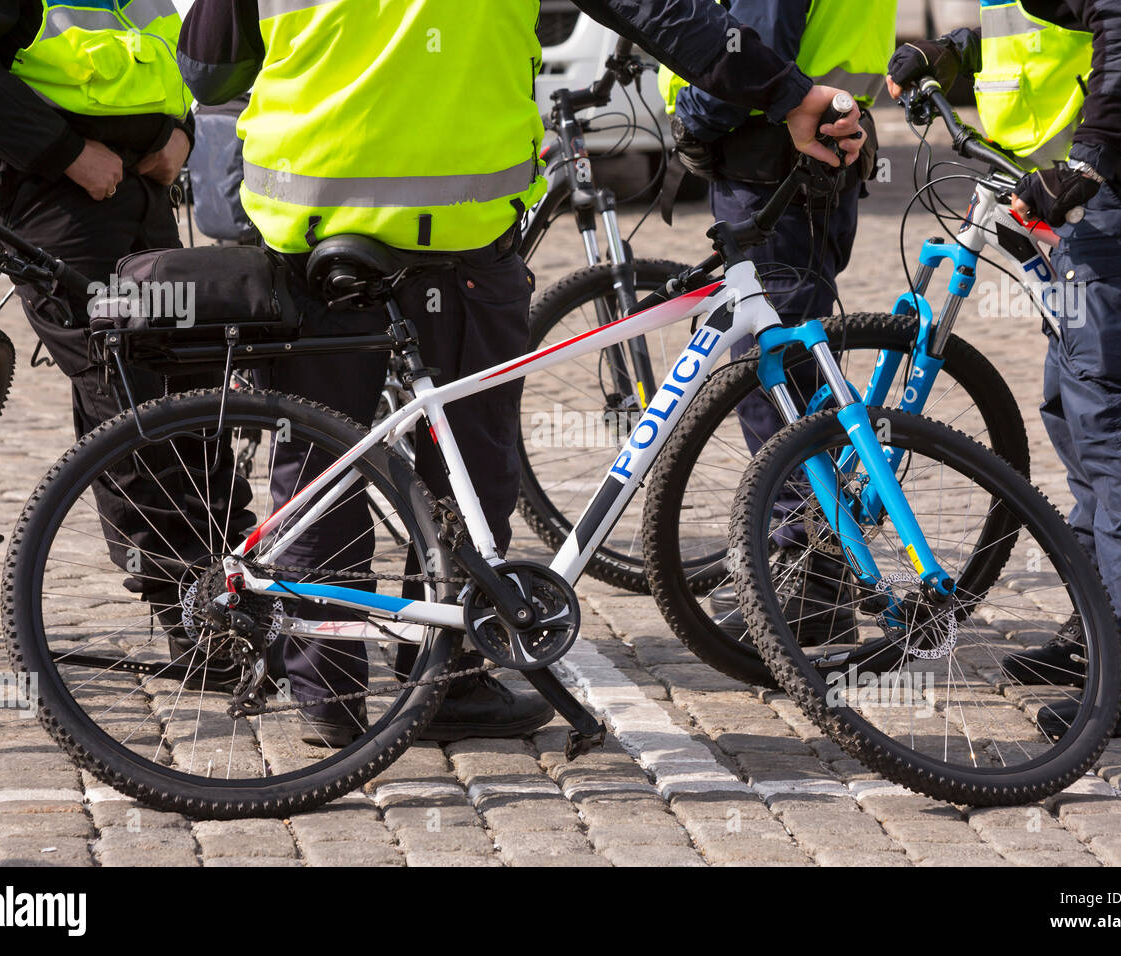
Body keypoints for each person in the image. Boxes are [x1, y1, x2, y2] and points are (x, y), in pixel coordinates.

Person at [178, 0, 864, 746]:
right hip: (458, 228)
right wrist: (789, 92)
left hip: (310, 217)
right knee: (468, 466)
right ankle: (450, 681)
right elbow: (661, 14)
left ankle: (327, 696)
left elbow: (209, 69)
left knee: (323, 466)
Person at [887, 0, 1121, 734]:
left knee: (1111, 414)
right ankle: (1102, 627)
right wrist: (955, 52)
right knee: (1073, 405)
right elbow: (1042, 36)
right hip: (1082, 196)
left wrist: (1087, 160)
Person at [0, 0, 251, 650]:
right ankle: (195, 615)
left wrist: (179, 131)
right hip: (54, 191)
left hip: (137, 185)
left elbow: (161, 63)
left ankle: (232, 580)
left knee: (188, 379)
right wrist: (67, 152)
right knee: (131, 395)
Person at [659, 0, 897, 646]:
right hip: (807, 157)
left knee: (777, 378)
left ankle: (809, 577)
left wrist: (695, 120)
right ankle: (813, 567)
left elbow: (752, 41)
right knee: (790, 367)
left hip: (773, 162)